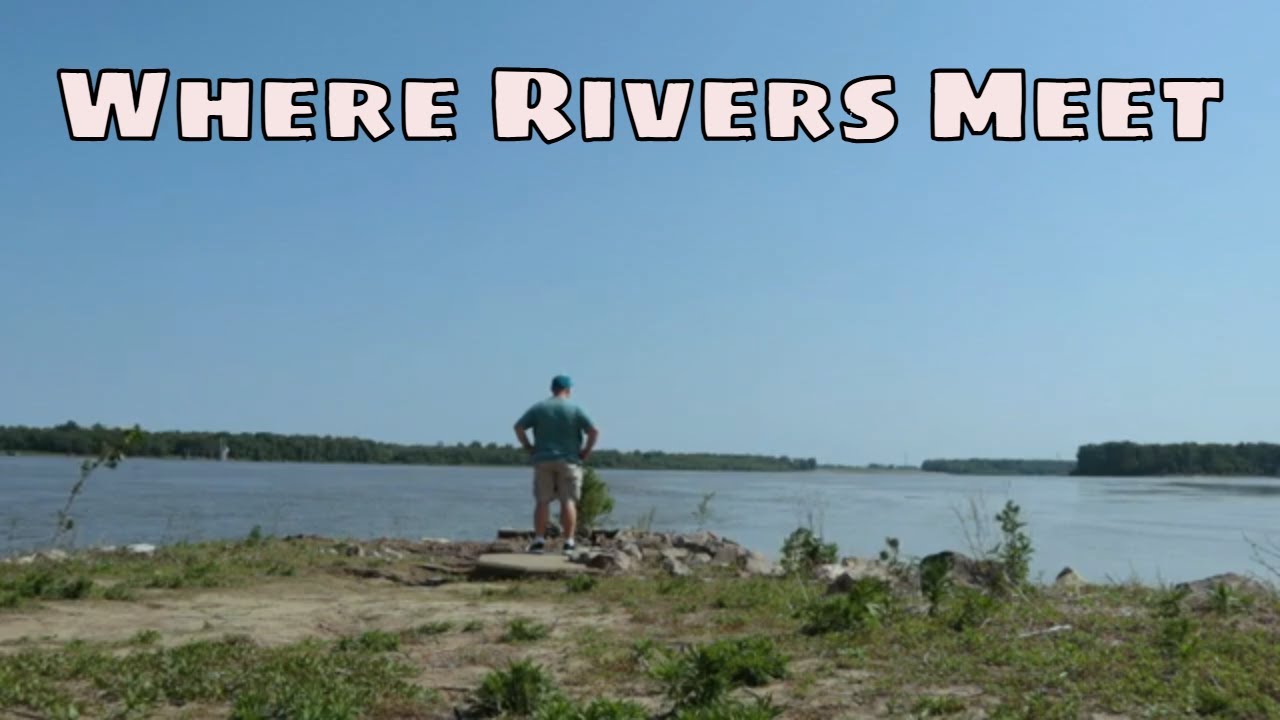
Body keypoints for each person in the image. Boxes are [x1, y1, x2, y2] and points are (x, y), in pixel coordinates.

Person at [514, 374, 599, 554]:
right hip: (569, 460)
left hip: (543, 459)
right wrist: (586, 451)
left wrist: (529, 447)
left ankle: (538, 541)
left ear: (552, 389)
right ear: (568, 390)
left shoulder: (539, 408)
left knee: (542, 501)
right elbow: (593, 430)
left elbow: (519, 427)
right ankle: (568, 542)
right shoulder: (575, 408)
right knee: (568, 501)